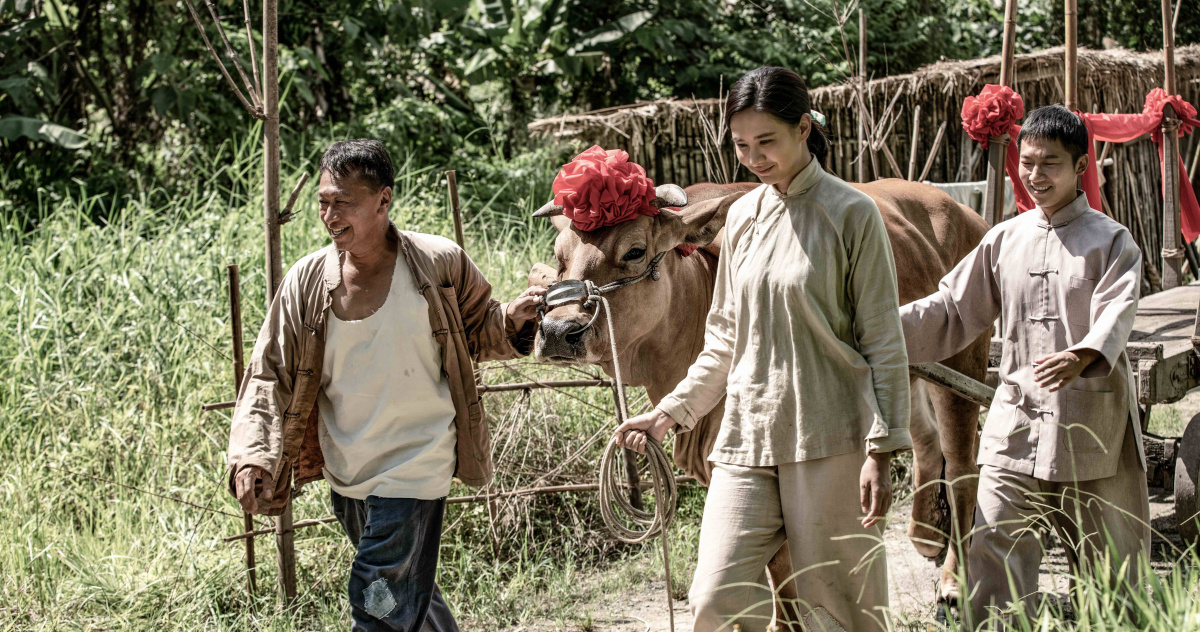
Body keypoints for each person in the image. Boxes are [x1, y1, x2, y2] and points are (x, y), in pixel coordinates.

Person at [615, 66, 911, 632]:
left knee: (841, 610)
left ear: (804, 128)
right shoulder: (743, 217)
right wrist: (669, 412)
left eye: (766, 141)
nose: (753, 157)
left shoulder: (851, 213)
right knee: (715, 600)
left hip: (833, 437)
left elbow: (882, 339)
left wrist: (883, 447)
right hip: (747, 435)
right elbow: (724, 337)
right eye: (742, 145)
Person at [225, 139, 545, 631]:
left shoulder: (438, 264)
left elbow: (479, 333)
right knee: (406, 593)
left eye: (344, 202)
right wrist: (253, 454)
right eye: (323, 202)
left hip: (418, 463)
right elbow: (270, 373)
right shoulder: (307, 282)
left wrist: (512, 319)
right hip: (349, 469)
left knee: (376, 600)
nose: (330, 215)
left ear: (383, 200)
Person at [900, 105, 1150, 627]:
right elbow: (951, 308)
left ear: (1080, 164)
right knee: (992, 551)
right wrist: (877, 328)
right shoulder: (1004, 240)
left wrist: (1085, 353)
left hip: (1091, 427)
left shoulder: (1111, 242)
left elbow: (1118, 311)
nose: (1035, 175)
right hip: (1016, 422)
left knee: (1113, 571)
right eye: (1028, 163)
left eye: (1050, 164)